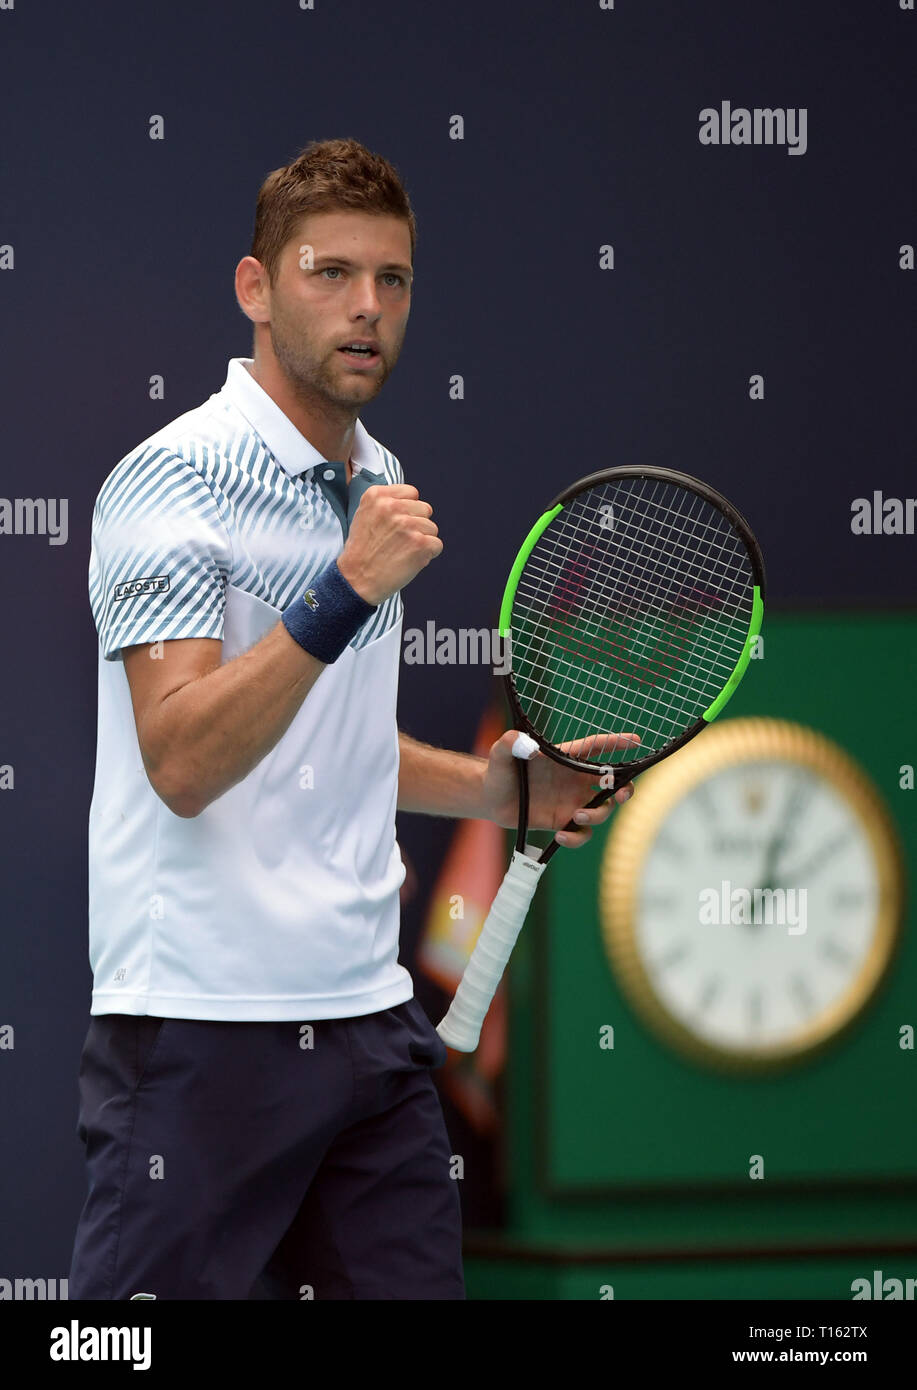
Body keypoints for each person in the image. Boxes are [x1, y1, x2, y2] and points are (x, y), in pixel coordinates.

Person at [69, 137, 633, 1300]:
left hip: (367, 1030)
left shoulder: (377, 475)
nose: (367, 307)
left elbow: (327, 746)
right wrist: (344, 591)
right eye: (330, 273)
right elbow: (180, 757)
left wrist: (493, 787)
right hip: (197, 1033)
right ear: (255, 288)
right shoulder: (168, 481)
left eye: (394, 279)